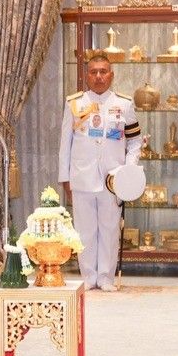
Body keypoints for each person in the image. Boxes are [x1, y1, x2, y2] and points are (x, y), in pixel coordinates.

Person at [59, 52, 143, 292]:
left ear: (111, 75)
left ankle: (105, 276)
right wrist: (65, 178)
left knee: (109, 229)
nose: (98, 76)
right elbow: (65, 143)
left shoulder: (124, 104)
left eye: (103, 71)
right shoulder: (74, 103)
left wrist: (128, 169)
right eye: (94, 72)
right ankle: (88, 276)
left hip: (112, 179)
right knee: (85, 230)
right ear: (87, 75)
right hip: (82, 177)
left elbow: (135, 141)